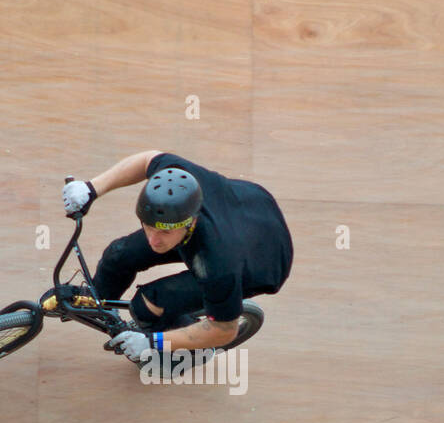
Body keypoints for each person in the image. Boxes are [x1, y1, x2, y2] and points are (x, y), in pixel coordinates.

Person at [60, 150, 292, 364]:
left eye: (164, 231)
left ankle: (192, 352)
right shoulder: (180, 180)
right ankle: (98, 301)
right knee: (119, 253)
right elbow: (147, 160)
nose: (153, 239)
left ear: (191, 223)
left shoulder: (219, 265)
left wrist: (153, 343)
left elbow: (224, 330)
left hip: (262, 260)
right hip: (248, 204)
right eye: (148, 226)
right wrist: (91, 188)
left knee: (148, 304)